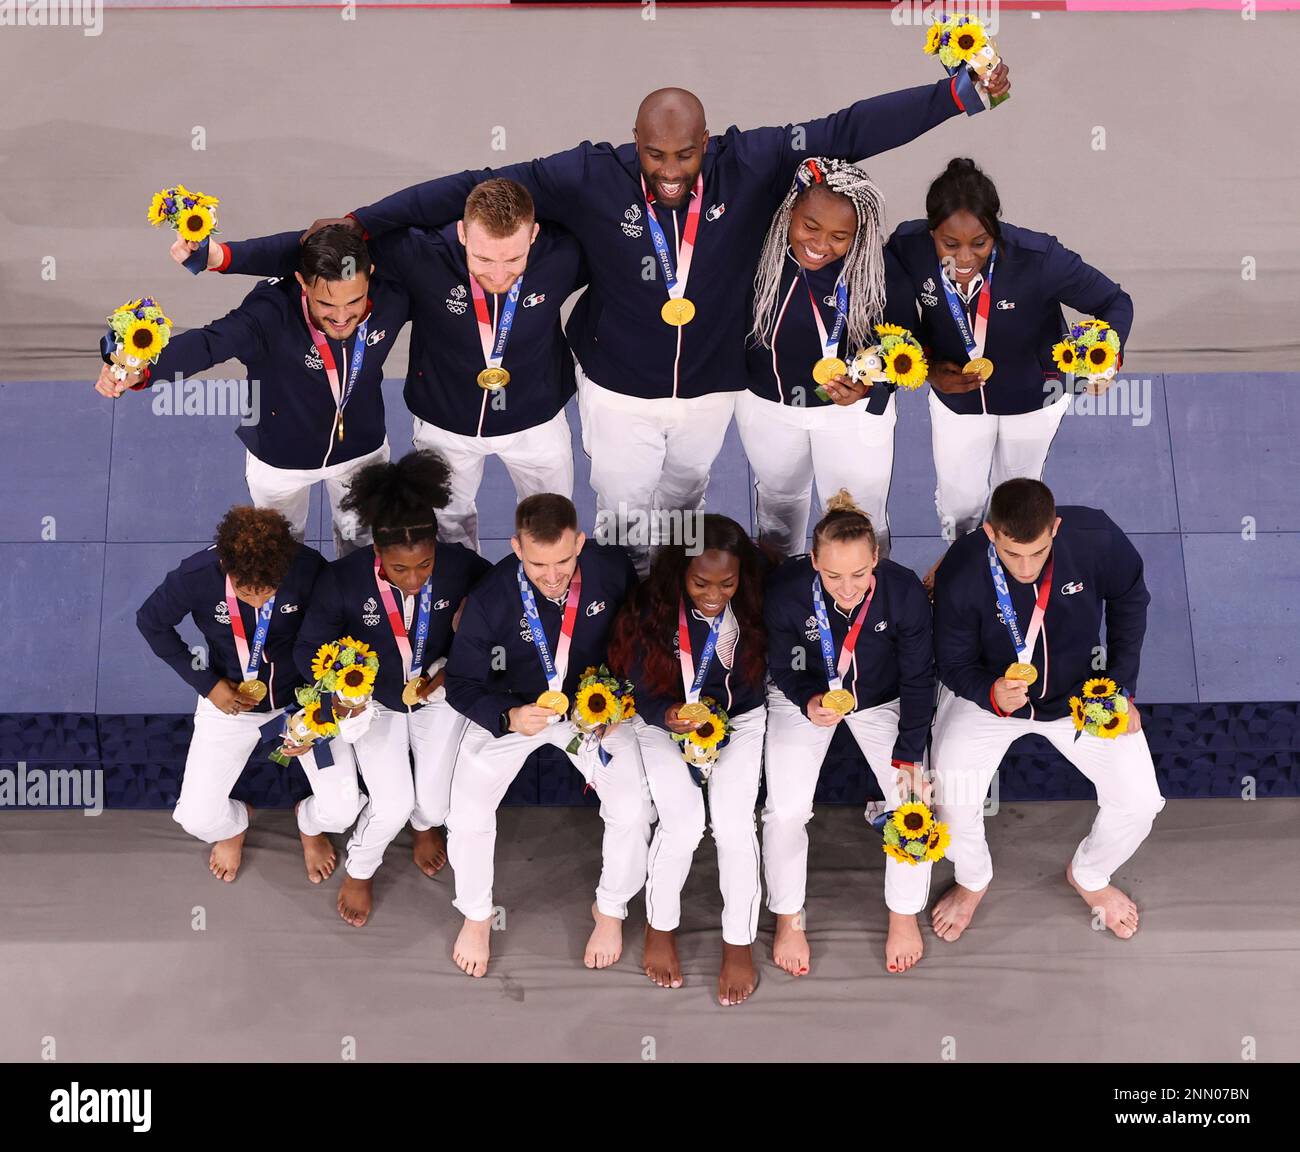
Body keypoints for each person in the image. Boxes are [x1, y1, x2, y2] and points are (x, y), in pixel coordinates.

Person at [307, 66, 1010, 570]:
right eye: (653, 153)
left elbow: (849, 128)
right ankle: (619, 597)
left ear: (709, 139)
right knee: (618, 507)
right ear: (632, 140)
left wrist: (958, 94)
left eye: (685, 153)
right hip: (617, 387)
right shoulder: (587, 175)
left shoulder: (753, 162)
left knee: (685, 495)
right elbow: (469, 190)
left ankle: (668, 596)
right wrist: (362, 223)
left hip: (713, 386)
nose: (669, 170)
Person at [187, 179, 583, 551]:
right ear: (462, 232)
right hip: (446, 423)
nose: (498, 274)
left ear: (534, 236)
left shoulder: (565, 254)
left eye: (514, 258)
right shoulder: (421, 255)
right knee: (447, 530)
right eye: (483, 257)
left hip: (538, 420)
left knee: (552, 527)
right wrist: (225, 257)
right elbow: (320, 249)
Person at [929, 478, 1165, 943]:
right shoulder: (961, 570)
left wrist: (1120, 688)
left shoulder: (1095, 537)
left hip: (1082, 697)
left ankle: (1090, 874)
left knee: (1140, 802)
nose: (1025, 567)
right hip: (989, 701)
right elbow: (951, 662)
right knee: (950, 805)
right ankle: (973, 878)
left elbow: (1130, 598)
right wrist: (989, 691)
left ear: (1054, 529)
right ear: (991, 533)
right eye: (1012, 554)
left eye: (1036, 553)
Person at [883, 158, 1133, 586]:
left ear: (995, 230)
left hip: (1034, 400)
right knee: (959, 503)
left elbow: (1115, 302)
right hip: (957, 399)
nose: (965, 258)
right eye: (949, 243)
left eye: (979, 243)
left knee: (1016, 497)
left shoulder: (1039, 257)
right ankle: (962, 572)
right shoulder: (906, 249)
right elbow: (894, 320)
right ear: (931, 234)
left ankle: (1011, 580)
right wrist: (926, 369)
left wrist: (1103, 356)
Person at [98, 226, 409, 557]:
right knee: (281, 555)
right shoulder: (270, 313)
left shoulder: (394, 298)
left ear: (370, 276)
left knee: (360, 548)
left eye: (354, 300)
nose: (343, 316)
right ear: (302, 283)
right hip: (279, 459)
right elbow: (209, 344)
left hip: (363, 450)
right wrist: (143, 372)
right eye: (326, 304)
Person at [443, 494, 652, 977]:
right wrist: (508, 714)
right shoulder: (491, 597)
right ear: (516, 547)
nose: (553, 575)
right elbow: (461, 684)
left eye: (563, 560)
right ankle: (476, 916)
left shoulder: (611, 569)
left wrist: (618, 699)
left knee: (632, 808)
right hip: (517, 708)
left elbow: (637, 642)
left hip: (591, 709)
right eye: (538, 564)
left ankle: (611, 909)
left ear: (580, 542)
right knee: (467, 811)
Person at [293, 450, 491, 927]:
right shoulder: (341, 580)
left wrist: (457, 661)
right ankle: (360, 868)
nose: (415, 578)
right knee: (393, 803)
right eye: (401, 570)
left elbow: (498, 614)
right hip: (375, 704)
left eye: (424, 565)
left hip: (435, 692)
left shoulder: (462, 566)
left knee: (434, 804)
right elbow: (307, 650)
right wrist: (343, 685)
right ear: (377, 553)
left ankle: (425, 828)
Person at [762, 491, 934, 976]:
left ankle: (903, 913)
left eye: (859, 573)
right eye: (833, 574)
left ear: (876, 557)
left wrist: (907, 755)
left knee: (915, 803)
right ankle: (788, 916)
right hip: (807, 699)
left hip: (881, 700)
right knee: (784, 811)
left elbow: (919, 679)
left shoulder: (902, 593)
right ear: (812, 559)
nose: (847, 587)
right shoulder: (786, 591)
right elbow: (781, 663)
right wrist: (806, 700)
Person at [609, 515, 768, 1006]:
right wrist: (667, 713)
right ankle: (660, 926)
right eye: (701, 582)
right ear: (679, 572)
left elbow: (751, 684)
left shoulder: (754, 605)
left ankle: (738, 941)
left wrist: (718, 724)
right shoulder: (648, 609)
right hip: (661, 719)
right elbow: (634, 679)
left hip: (738, 718)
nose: (714, 593)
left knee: (735, 826)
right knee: (683, 824)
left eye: (727, 582)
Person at [136, 506, 328, 881]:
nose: (256, 602)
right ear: (226, 567)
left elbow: (337, 638)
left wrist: (318, 709)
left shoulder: (309, 569)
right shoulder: (195, 576)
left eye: (268, 590)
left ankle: (309, 821)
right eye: (245, 590)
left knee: (341, 811)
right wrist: (206, 683)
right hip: (229, 703)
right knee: (195, 818)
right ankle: (234, 825)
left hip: (301, 701)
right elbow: (151, 622)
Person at [739, 157, 900, 559]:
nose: (820, 244)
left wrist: (868, 388)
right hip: (768, 407)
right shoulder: (754, 256)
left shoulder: (878, 271)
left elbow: (906, 345)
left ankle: (868, 606)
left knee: (858, 518)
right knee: (777, 512)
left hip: (851, 414)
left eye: (839, 236)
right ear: (789, 211)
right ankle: (779, 603)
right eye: (810, 226)